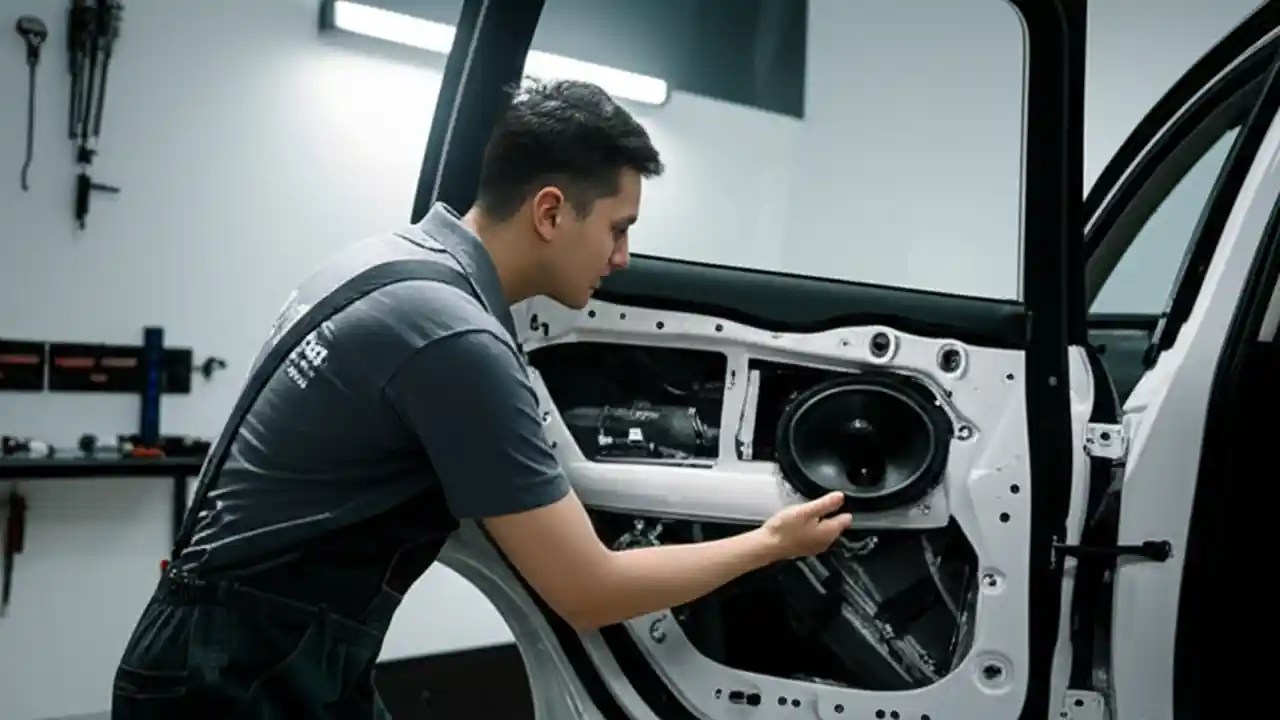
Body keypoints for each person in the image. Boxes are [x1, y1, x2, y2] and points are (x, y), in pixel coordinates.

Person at [110, 78, 853, 719]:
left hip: (229, 649)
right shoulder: (454, 338)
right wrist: (772, 544)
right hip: (237, 678)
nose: (622, 258)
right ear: (551, 212)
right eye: (617, 229)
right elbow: (586, 591)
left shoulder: (388, 263)